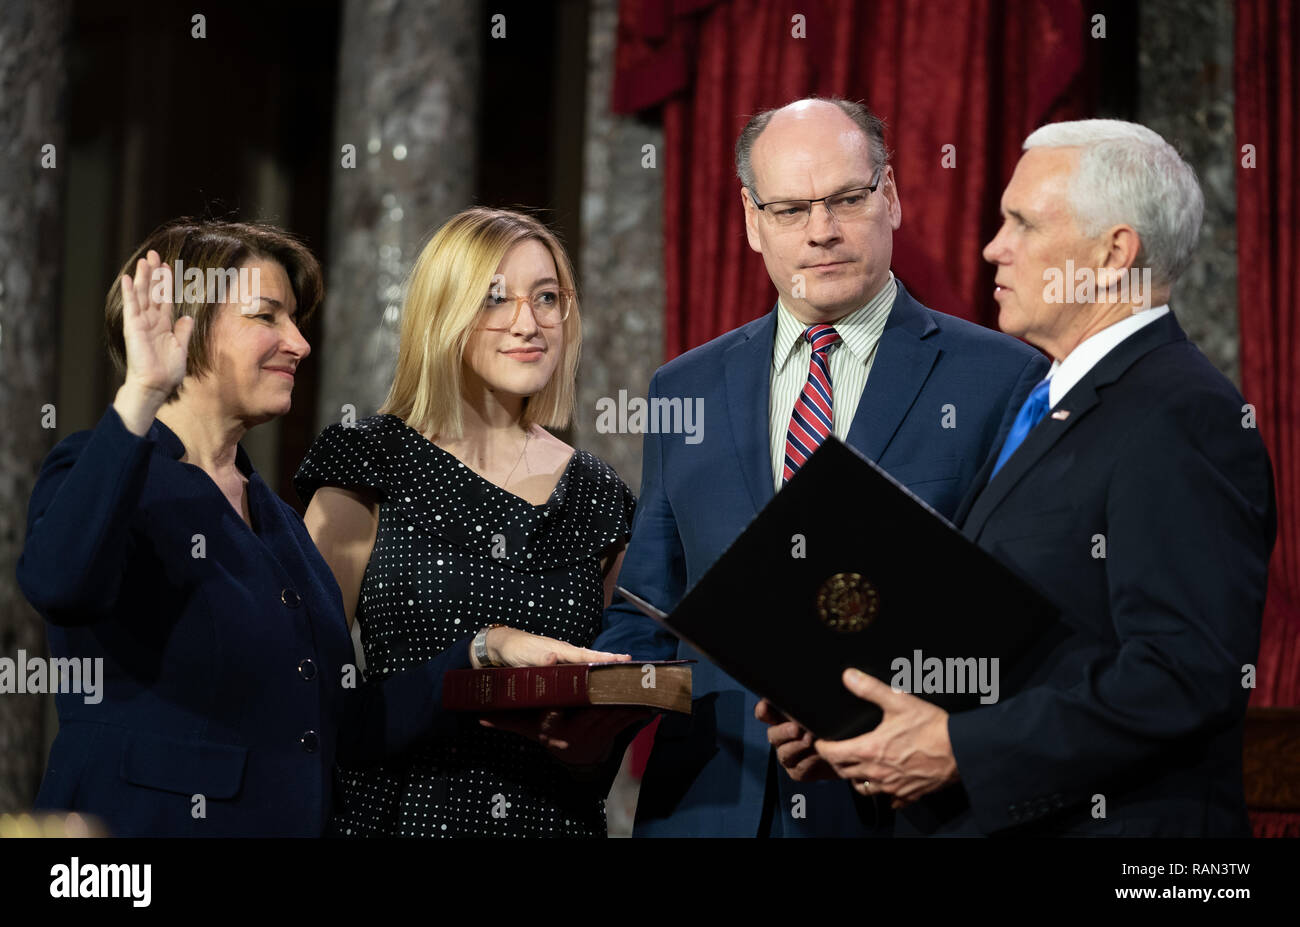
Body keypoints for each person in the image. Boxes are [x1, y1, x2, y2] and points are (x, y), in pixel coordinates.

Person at [17, 218, 620, 837]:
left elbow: (334, 723)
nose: (299, 344)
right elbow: (60, 582)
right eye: (266, 316)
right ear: (179, 326)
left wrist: (482, 650)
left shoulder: (279, 524)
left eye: (294, 320)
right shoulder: (104, 470)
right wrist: (142, 393)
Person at [775, 119, 1277, 836]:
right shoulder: (1052, 401)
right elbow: (1028, 647)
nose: (993, 247)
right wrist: (873, 727)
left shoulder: (1181, 413)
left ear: (1113, 254)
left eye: (1023, 223)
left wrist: (958, 750)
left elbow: (1182, 676)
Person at [590, 97, 1051, 837]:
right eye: (790, 209)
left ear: (890, 195)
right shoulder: (684, 388)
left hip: (898, 810)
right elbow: (646, 609)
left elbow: (1020, 623)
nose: (821, 231)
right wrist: (582, 710)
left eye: (846, 199)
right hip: (709, 804)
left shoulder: (1002, 379)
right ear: (752, 219)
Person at [296, 207, 643, 838]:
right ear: (442, 311)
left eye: (547, 297)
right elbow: (305, 705)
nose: (527, 323)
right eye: (494, 298)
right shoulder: (369, 460)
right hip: (399, 819)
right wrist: (480, 654)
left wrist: (593, 744)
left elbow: (601, 745)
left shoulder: (600, 497)